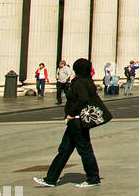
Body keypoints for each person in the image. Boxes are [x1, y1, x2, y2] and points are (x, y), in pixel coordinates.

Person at [34, 58, 110, 189]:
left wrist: (70, 114)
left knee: (84, 149)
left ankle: (92, 178)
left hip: (76, 120)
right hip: (76, 121)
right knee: (64, 150)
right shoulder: (88, 81)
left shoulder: (79, 82)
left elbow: (83, 99)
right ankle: (51, 179)